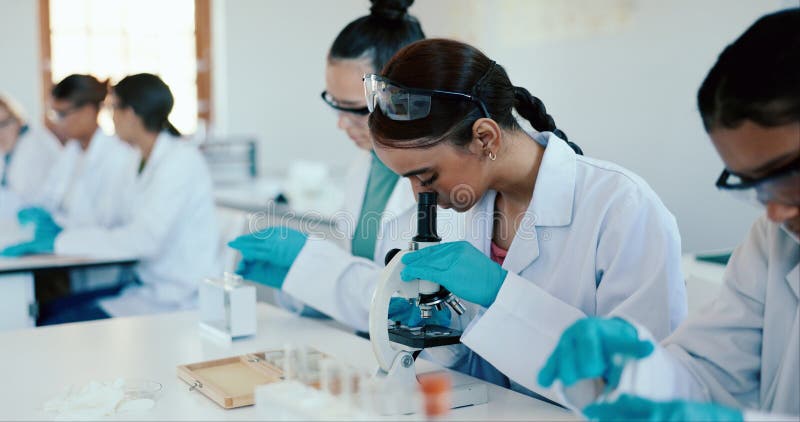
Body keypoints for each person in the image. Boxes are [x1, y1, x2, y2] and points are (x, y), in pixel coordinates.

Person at [365, 38, 687, 401]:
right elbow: (490, 370)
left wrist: (502, 294)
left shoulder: (622, 207)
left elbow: (644, 381)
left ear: (484, 137)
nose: (418, 195)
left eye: (427, 176)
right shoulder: (465, 207)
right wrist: (444, 337)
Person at [537, 8, 799, 421]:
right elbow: (710, 374)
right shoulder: (775, 238)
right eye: (752, 184)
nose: (775, 209)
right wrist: (634, 367)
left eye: (787, 172)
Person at [228, 0, 459, 329]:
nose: (341, 124)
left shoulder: (448, 184)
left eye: (353, 109)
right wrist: (302, 283)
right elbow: (353, 271)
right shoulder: (364, 166)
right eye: (334, 104)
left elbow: (431, 313)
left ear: (405, 97)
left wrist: (313, 269)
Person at [2, 73, 220, 324]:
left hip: (177, 297)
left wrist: (61, 241)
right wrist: (62, 230)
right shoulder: (136, 159)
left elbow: (143, 239)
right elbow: (114, 221)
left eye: (113, 109)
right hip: (145, 287)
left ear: (131, 114)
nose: (110, 119)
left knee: (52, 321)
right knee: (45, 311)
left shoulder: (181, 162)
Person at [36, 74, 139, 229]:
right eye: (54, 114)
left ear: (88, 111)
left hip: (97, 247)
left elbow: (108, 219)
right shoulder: (70, 152)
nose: (57, 122)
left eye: (62, 114)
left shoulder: (118, 155)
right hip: (70, 245)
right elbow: (49, 197)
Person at [0, 94, 61, 218]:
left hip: (49, 222)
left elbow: (28, 200)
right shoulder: (9, 150)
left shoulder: (34, 146)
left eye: (3, 124)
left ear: (17, 120)